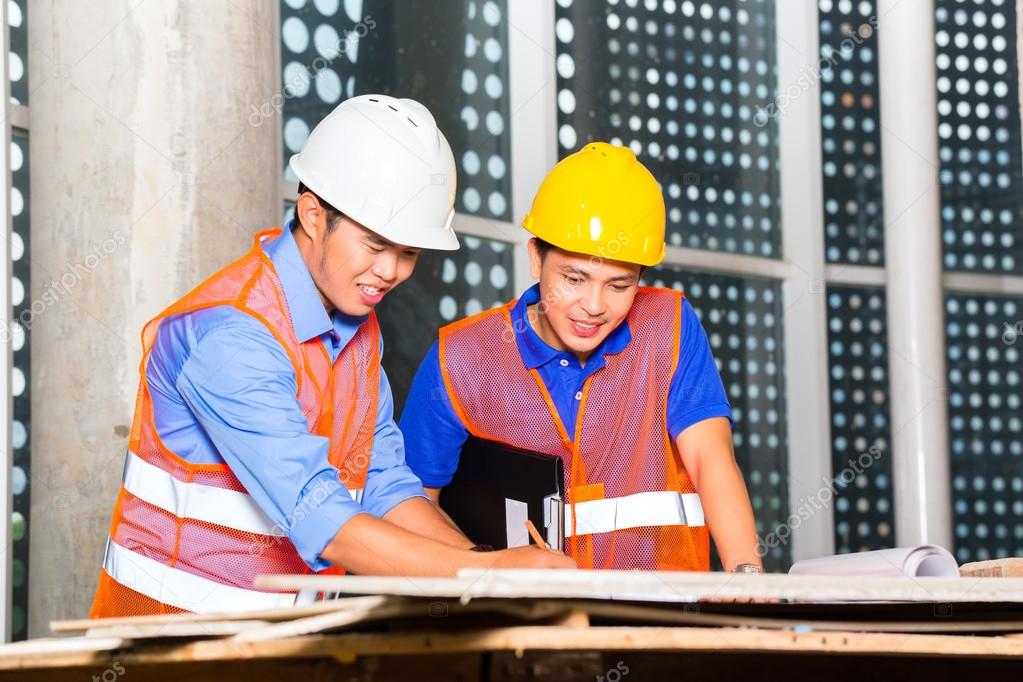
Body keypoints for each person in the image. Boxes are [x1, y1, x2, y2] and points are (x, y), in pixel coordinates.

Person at [89, 95, 572, 618]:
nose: (391, 271)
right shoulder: (231, 335)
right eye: (375, 245)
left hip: (279, 643)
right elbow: (320, 517)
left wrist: (485, 563)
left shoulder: (357, 330)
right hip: (167, 645)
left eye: (408, 252)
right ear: (314, 214)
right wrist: (489, 575)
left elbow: (384, 483)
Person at [400, 142, 762, 572]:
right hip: (520, 623)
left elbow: (711, 458)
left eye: (619, 285)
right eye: (574, 278)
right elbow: (409, 503)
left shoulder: (671, 326)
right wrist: (487, 573)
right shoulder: (460, 359)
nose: (594, 305)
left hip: (664, 620)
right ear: (536, 257)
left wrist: (748, 578)